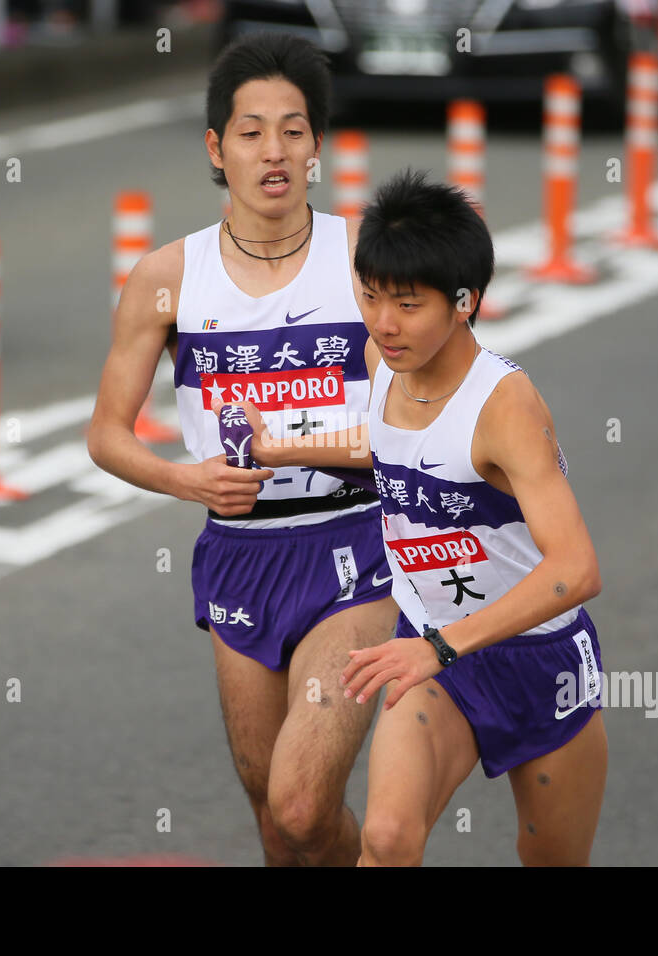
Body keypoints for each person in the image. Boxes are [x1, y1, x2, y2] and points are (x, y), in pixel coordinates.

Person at [216, 169, 608, 866]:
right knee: (388, 839)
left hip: (536, 657)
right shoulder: (387, 365)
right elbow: (392, 447)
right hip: (431, 658)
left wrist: (445, 643)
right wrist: (276, 446)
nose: (384, 323)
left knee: (550, 859)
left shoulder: (505, 406)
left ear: (466, 303)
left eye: (407, 304)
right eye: (369, 297)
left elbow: (576, 570)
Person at [86, 32, 398, 866]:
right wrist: (188, 481)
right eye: (253, 131)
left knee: (302, 801)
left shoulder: (366, 261)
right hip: (240, 556)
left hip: (355, 545)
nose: (275, 151)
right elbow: (106, 433)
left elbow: (415, 428)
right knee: (273, 816)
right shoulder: (167, 277)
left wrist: (300, 441)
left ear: (318, 148)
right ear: (216, 149)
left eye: (294, 131)